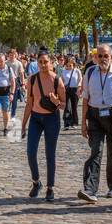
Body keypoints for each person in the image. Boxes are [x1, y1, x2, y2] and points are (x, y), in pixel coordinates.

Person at [77, 43, 112, 203]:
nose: (102, 59)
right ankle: (90, 190)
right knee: (96, 151)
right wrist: (83, 123)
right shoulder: (90, 72)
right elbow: (86, 98)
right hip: (95, 116)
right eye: (99, 56)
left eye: (105, 55)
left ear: (111, 56)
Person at [23, 49, 65, 201]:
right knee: (31, 152)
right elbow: (29, 103)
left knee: (50, 154)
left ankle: (50, 187)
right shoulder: (32, 79)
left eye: (45, 62)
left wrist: (57, 102)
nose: (43, 65)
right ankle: (36, 182)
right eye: (40, 62)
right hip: (35, 118)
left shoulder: (57, 80)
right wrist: (23, 125)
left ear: (51, 63)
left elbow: (64, 105)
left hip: (52, 119)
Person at [61, 55, 82, 128]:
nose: (69, 66)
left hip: (75, 89)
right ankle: (67, 123)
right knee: (67, 106)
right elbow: (62, 81)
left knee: (74, 107)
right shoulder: (63, 71)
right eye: (67, 65)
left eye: (70, 65)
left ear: (73, 65)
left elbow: (80, 79)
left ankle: (74, 123)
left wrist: (79, 87)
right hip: (66, 90)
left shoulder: (77, 71)